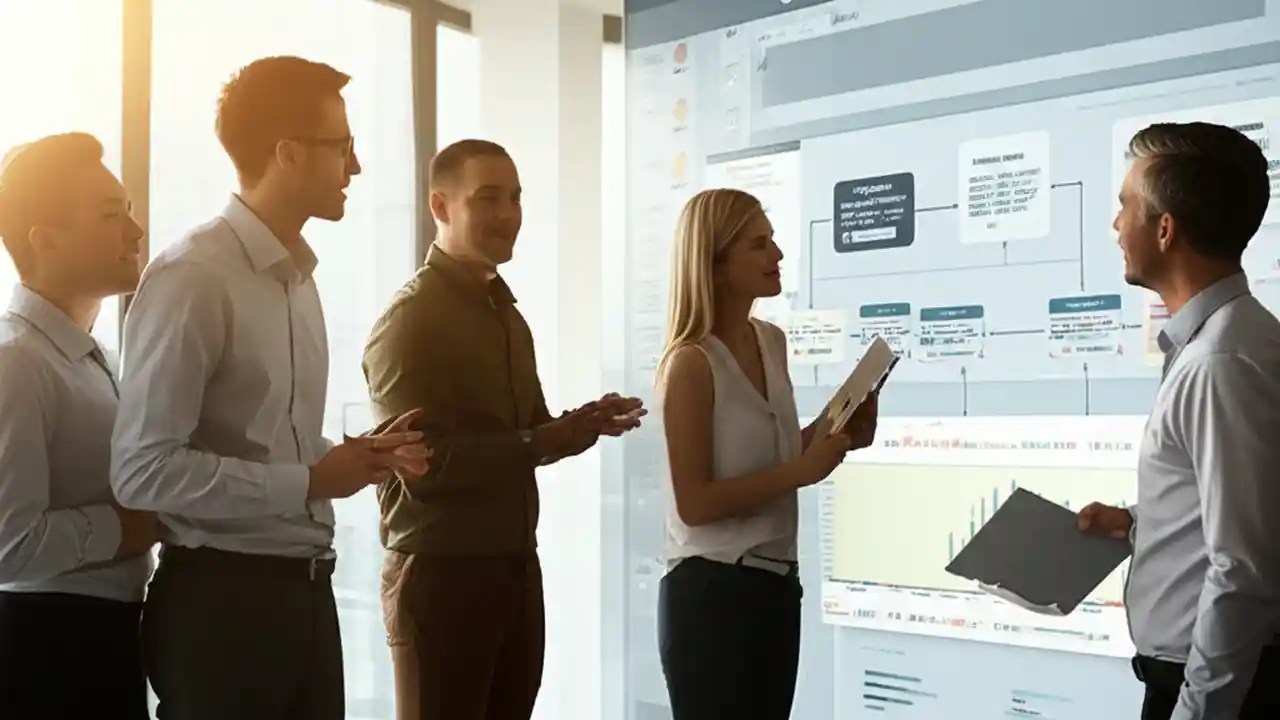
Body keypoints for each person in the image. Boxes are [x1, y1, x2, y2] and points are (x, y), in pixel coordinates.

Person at [110, 56, 429, 720]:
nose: (356, 166)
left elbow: (270, 443)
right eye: (342, 146)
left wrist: (352, 459)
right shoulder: (192, 277)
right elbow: (142, 471)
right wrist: (311, 480)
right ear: (287, 153)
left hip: (305, 594)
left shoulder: (298, 278)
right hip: (223, 607)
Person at [363, 138, 645, 720]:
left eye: (515, 198)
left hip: (513, 567)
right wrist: (542, 439)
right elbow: (423, 464)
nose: (508, 214)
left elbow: (526, 436)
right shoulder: (412, 319)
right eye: (488, 198)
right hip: (441, 574)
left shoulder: (507, 315)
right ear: (440, 207)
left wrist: (578, 426)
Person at [1077, 121, 1280, 720]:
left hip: (1213, 691)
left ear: (1164, 229)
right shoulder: (1228, 341)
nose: (1116, 225)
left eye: (1125, 207)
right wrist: (1139, 523)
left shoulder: (1221, 361)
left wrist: (1197, 711)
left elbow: (1243, 570)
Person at [655, 188, 878, 719]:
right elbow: (695, 504)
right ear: (715, 263)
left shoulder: (771, 340)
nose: (776, 254)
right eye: (758, 244)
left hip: (776, 587)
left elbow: (777, 454)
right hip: (711, 594)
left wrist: (838, 428)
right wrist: (801, 471)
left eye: (772, 240)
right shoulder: (690, 364)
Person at [0, 133, 155, 717]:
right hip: (47, 646)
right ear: (45, 240)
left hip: (104, 636)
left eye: (130, 212)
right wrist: (135, 525)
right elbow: (8, 545)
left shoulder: (97, 358)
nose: (135, 233)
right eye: (112, 216)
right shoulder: (16, 362)